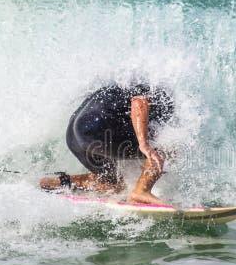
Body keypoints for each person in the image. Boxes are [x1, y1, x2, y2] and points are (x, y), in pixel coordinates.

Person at [40, 83, 174, 204]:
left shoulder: (120, 86)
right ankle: (141, 191)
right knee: (168, 144)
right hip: (97, 132)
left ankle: (61, 182)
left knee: (114, 183)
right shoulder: (160, 94)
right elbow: (139, 102)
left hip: (74, 138)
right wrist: (144, 144)